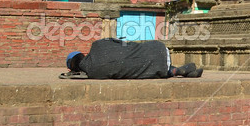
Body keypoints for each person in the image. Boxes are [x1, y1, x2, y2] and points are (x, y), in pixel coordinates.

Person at [64, 38, 202, 79]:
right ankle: (183, 71)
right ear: (82, 54)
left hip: (155, 69)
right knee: (138, 55)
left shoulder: (94, 74)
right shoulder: (97, 45)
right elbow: (123, 43)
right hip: (157, 48)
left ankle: (175, 71)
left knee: (142, 68)